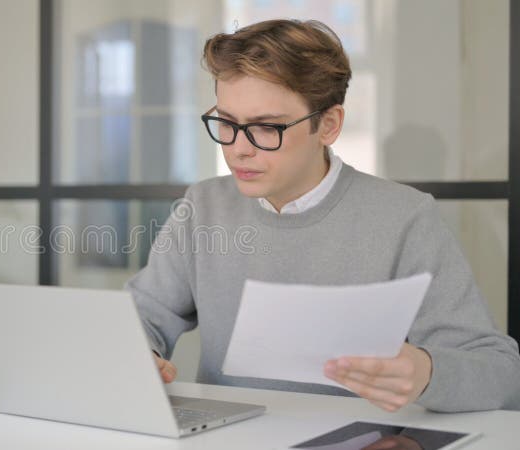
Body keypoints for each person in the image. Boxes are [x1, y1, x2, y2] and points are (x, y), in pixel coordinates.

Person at [125, 19, 520, 413]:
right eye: (227, 123)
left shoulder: (405, 217)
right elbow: (141, 317)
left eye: (266, 128)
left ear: (328, 125)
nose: (238, 150)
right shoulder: (203, 206)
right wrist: (137, 355)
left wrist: (428, 372)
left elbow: (499, 372)